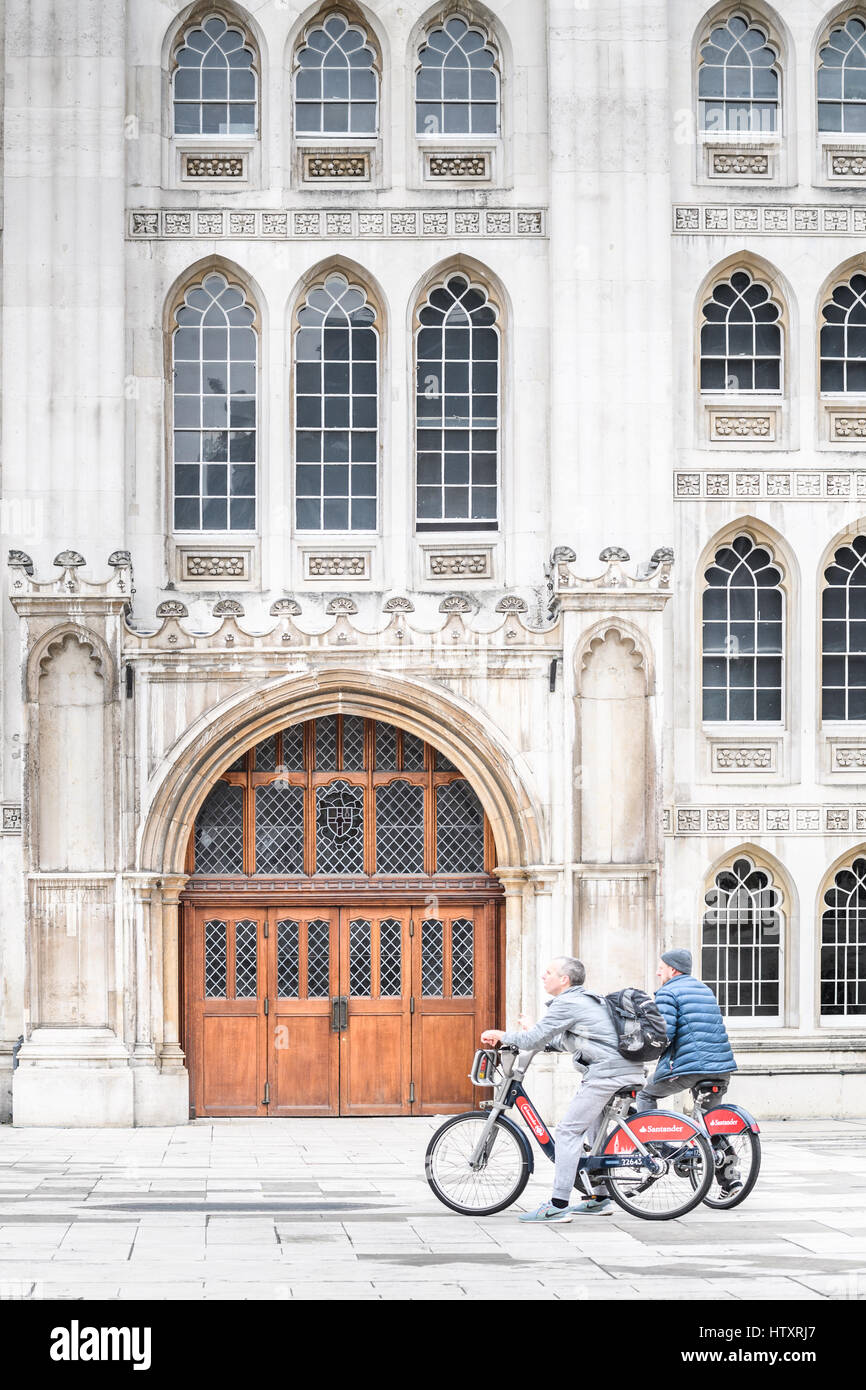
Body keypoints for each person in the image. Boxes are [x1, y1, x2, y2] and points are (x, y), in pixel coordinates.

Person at [481, 956, 644, 1222]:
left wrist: (502, 1035)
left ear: (564, 979)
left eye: (548, 972)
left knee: (568, 1130)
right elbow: (564, 1041)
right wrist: (534, 1034)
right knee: (593, 1128)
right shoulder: (585, 1000)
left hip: (606, 1074)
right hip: (622, 1070)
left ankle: (557, 1204)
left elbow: (533, 1039)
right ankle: (600, 1197)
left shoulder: (568, 1002)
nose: (543, 976)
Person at [634, 947, 737, 1117]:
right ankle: (713, 1143)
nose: (657, 973)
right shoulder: (706, 990)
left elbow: (663, 1035)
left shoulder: (668, 992)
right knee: (706, 1125)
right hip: (721, 1069)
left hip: (691, 1068)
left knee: (644, 1092)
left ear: (673, 969)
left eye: (661, 968)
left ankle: (652, 1141)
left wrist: (640, 1049)